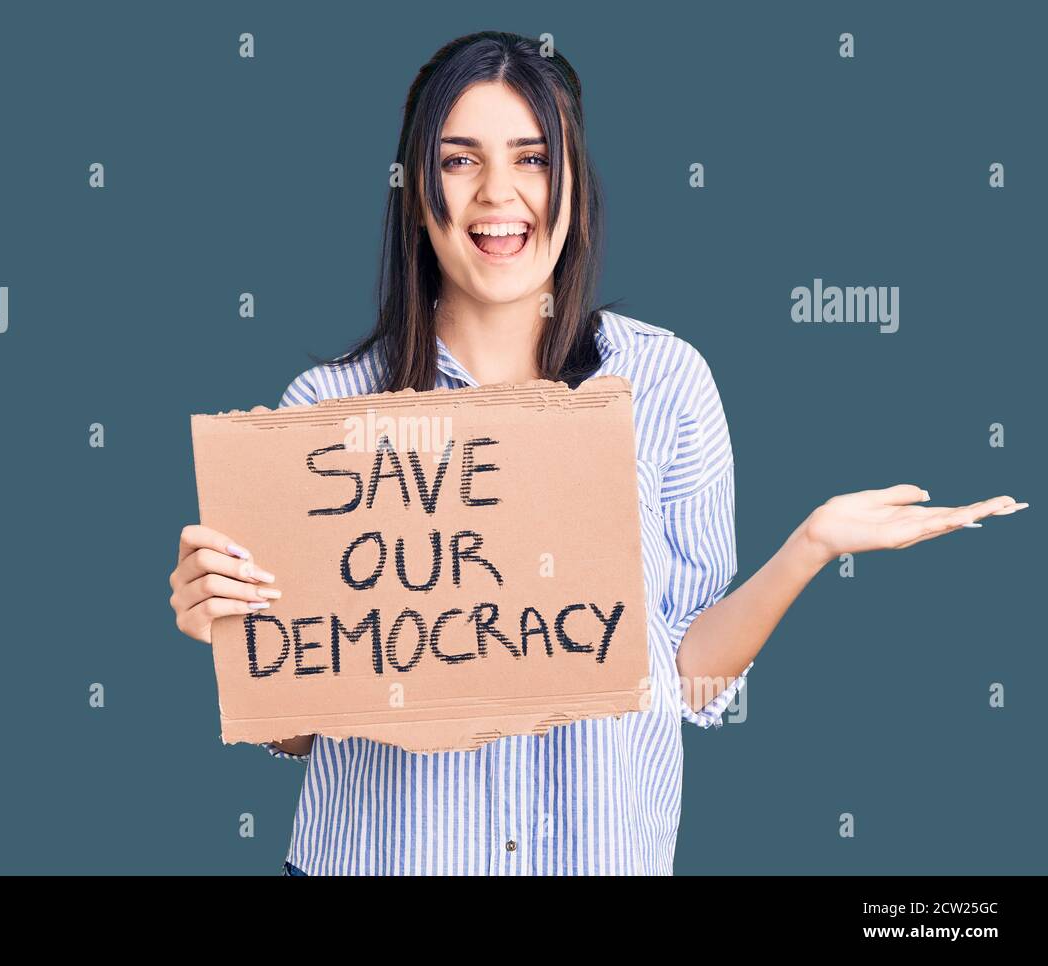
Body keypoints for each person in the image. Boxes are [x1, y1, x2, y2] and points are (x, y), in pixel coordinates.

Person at [168, 31, 1025, 875]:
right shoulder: (326, 412)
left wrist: (811, 546)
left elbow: (686, 675)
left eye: (533, 158)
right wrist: (235, 637)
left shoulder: (667, 382)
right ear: (413, 190)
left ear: (574, 180)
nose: (497, 195)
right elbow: (298, 726)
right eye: (459, 160)